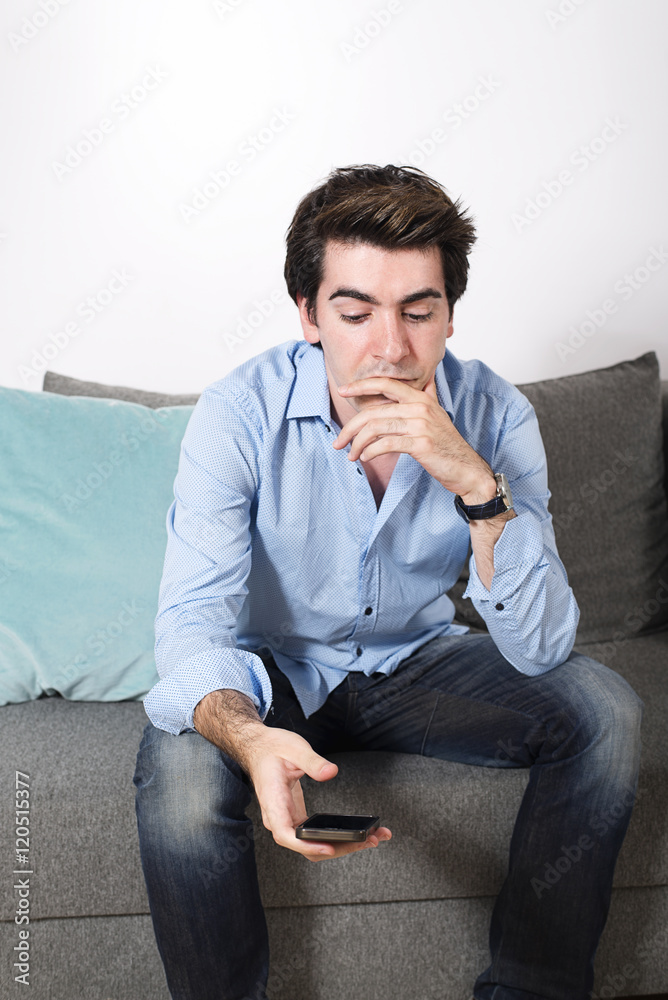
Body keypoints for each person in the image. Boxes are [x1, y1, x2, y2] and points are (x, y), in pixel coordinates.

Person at [133, 163, 644, 1000]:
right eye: (355, 310)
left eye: (419, 309)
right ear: (308, 314)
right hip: (274, 673)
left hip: (415, 662)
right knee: (185, 782)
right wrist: (251, 736)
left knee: (608, 714)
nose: (392, 347)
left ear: (449, 313)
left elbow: (544, 644)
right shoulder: (238, 412)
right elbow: (192, 625)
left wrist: (477, 487)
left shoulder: (497, 415)